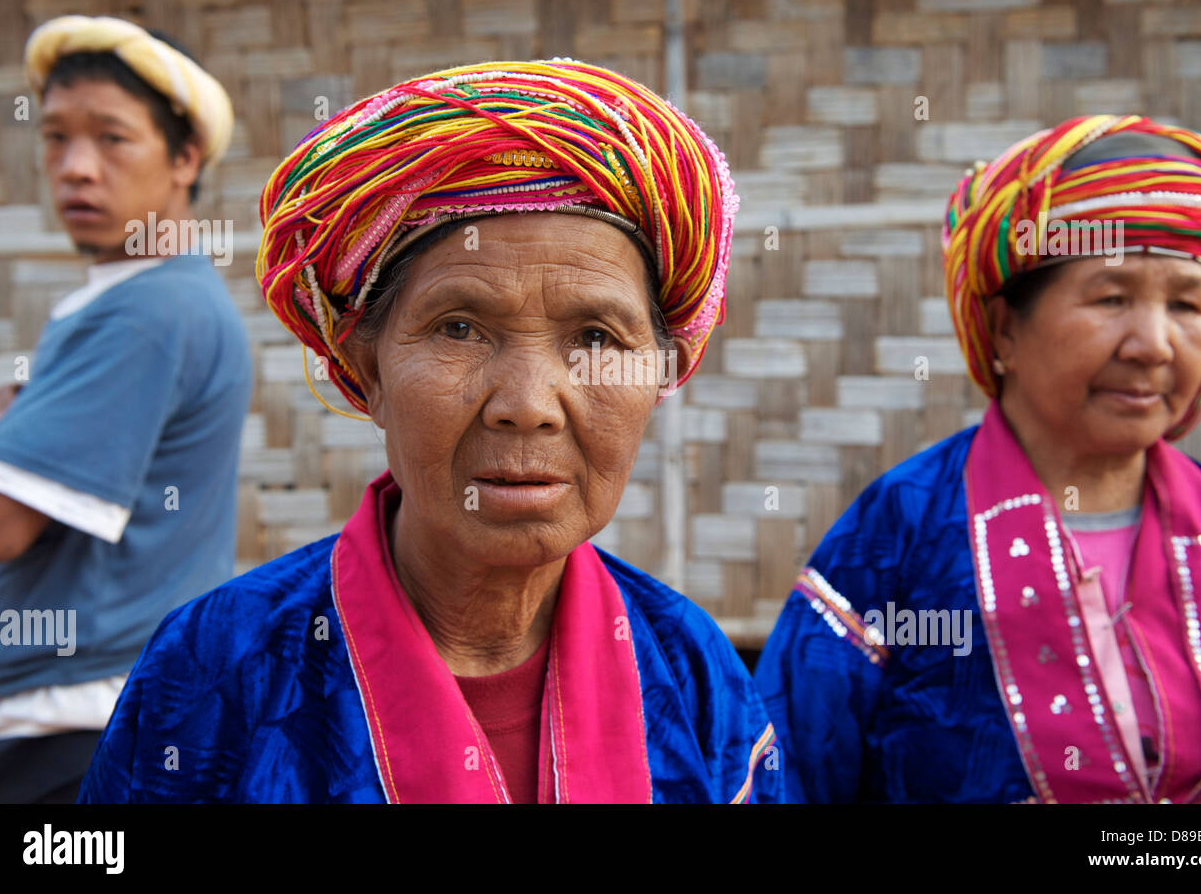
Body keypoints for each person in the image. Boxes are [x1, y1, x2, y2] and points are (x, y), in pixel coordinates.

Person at [79, 60, 780, 803]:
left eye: (597, 339)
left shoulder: (694, 675)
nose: (527, 404)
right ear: (366, 369)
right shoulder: (215, 669)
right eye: (460, 327)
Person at [755, 114, 1201, 803]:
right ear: (1005, 328)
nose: (1153, 343)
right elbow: (784, 773)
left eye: (1186, 304)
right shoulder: (900, 535)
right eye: (1112, 297)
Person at [0, 16, 251, 802]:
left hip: (64, 729)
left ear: (184, 156)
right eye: (56, 138)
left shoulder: (147, 314)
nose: (76, 168)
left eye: (112, 138)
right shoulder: (134, 301)